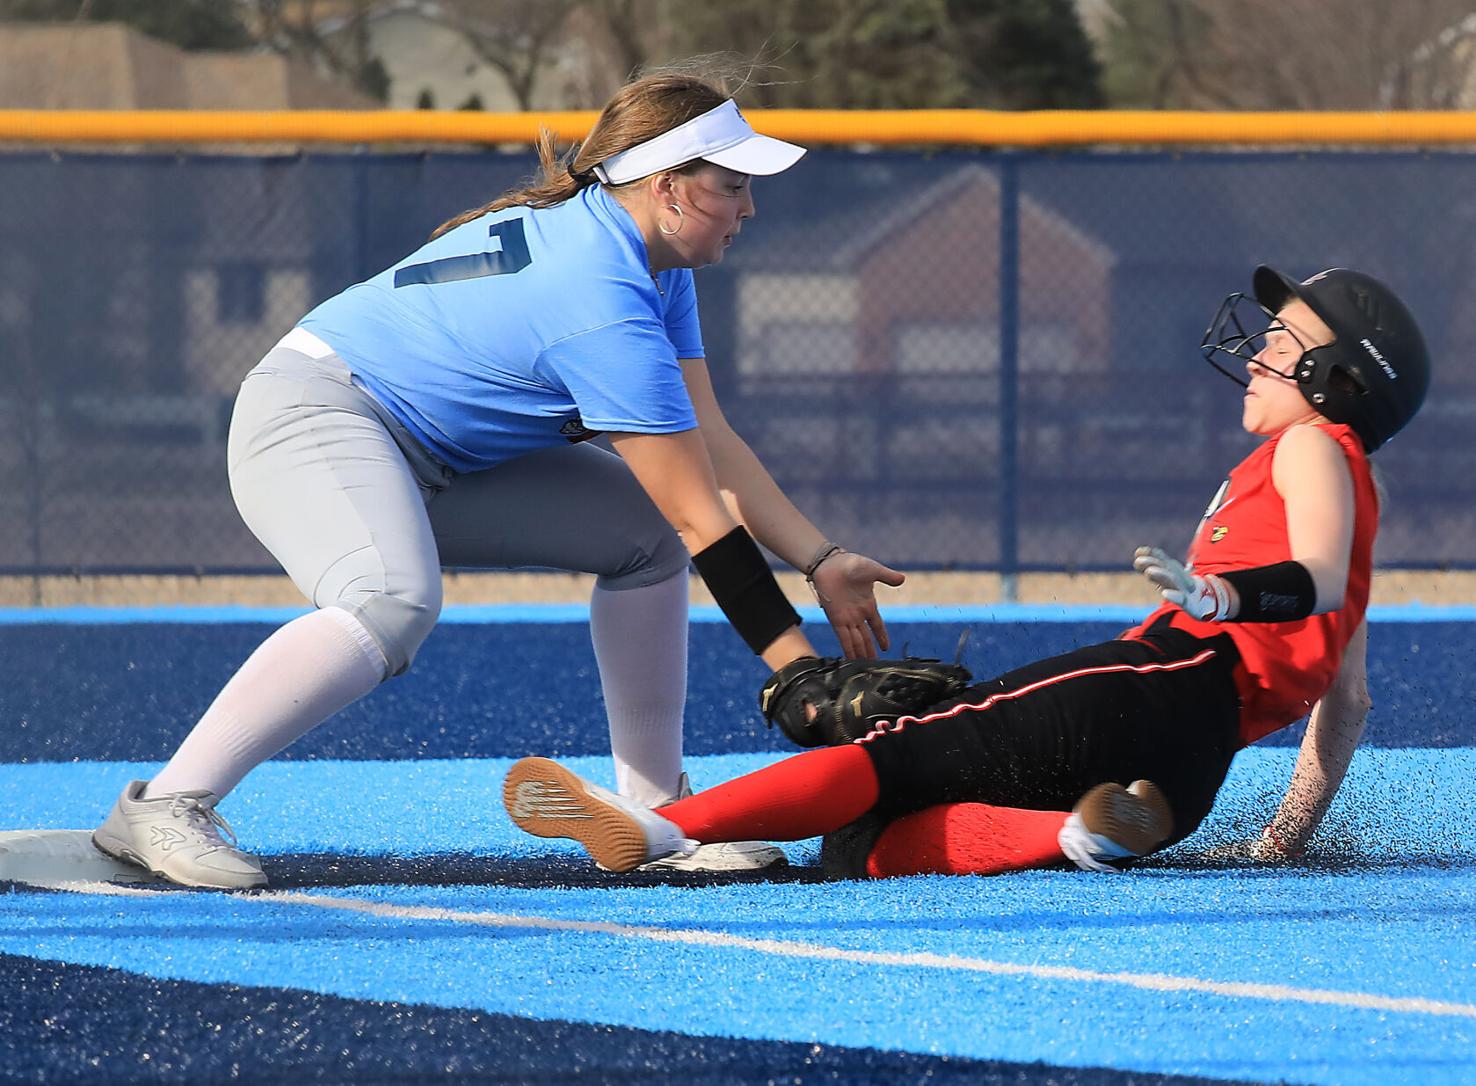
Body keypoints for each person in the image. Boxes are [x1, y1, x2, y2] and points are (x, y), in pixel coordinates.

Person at [92, 69, 904, 890]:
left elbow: (711, 447)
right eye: (733, 186)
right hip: (317, 416)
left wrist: (820, 557)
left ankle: (663, 814)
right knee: (391, 601)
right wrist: (797, 670)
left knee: (643, 540)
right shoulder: (599, 297)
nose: (749, 208)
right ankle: (166, 803)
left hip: (430, 449)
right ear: (669, 189)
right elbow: (702, 513)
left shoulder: (650, 261)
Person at [502, 264, 1431, 877]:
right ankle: (1077, 834)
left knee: (889, 758)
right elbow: (1344, 703)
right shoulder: (1355, 499)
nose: (1262, 347)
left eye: (1287, 339)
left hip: (1156, 681)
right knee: (866, 850)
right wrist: (1281, 843)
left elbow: (1300, 579)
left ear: (1340, 382)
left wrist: (1226, 595)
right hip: (1190, 773)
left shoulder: (1314, 446)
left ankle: (666, 830)